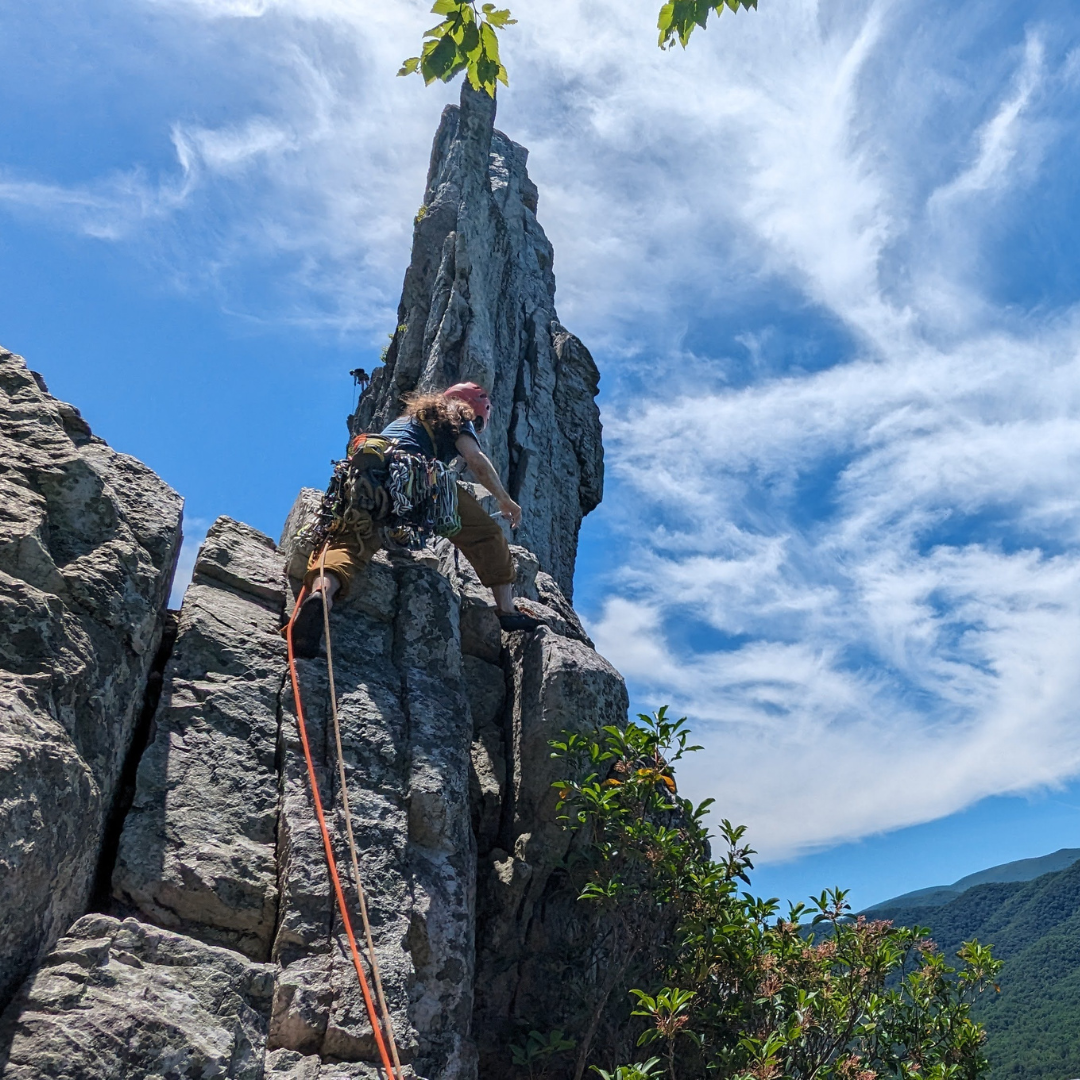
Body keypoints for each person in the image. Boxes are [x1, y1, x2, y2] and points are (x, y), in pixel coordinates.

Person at [290, 381, 542, 658]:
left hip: (363, 478)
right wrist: (504, 499)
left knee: (351, 541)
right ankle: (507, 610)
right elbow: (475, 458)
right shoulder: (456, 412)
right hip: (413, 474)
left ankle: (321, 596)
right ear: (474, 407)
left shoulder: (407, 420)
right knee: (485, 534)